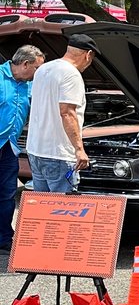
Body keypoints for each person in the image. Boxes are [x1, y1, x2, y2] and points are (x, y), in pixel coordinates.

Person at [25, 34, 99, 193]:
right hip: (58, 154)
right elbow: (67, 112)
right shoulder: (71, 74)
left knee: (42, 207)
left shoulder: (43, 69)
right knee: (62, 210)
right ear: (88, 55)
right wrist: (79, 149)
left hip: (35, 150)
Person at [0, 44, 46, 252]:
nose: (39, 73)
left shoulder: (28, 85)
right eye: (37, 68)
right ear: (25, 64)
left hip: (9, 146)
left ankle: (4, 238)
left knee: (7, 193)